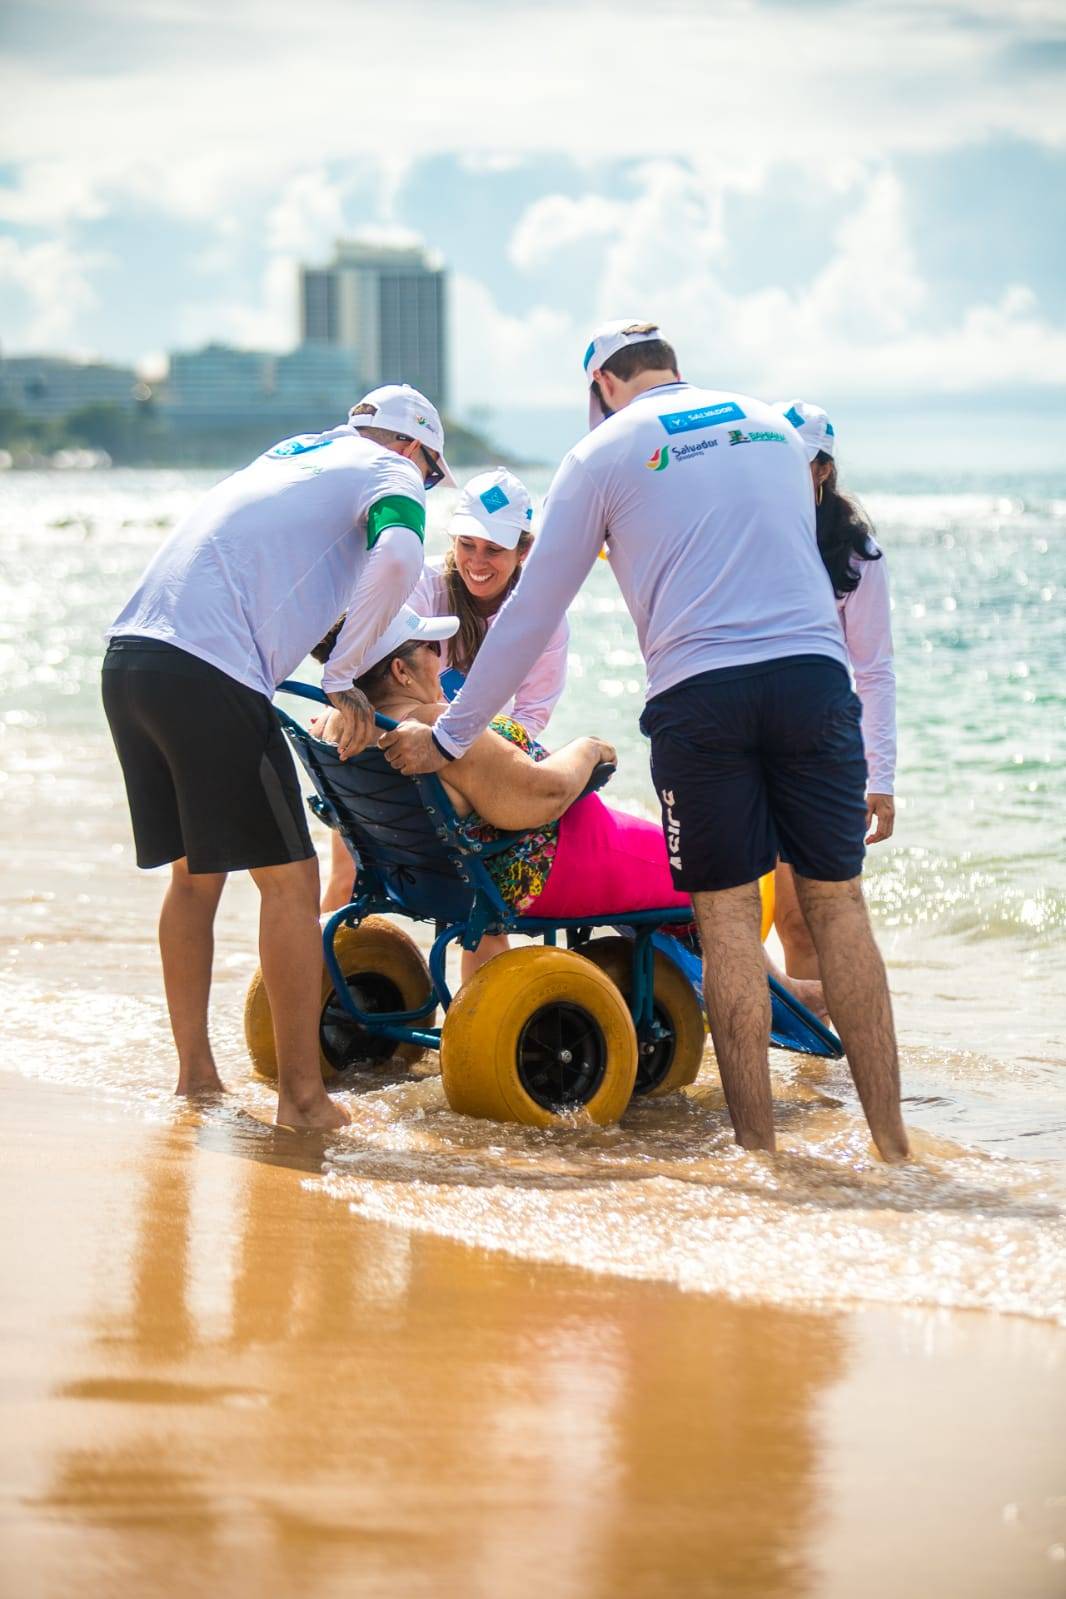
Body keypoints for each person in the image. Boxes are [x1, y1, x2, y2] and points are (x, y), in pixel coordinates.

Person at [380, 322, 909, 1162]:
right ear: (673, 367)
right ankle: (894, 1148)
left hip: (703, 696)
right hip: (814, 679)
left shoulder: (600, 453)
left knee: (726, 919)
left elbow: (530, 613)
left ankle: (761, 1155)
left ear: (602, 388)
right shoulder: (771, 428)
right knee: (840, 907)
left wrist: (451, 733)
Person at [102, 384, 453, 1130]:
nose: (423, 486)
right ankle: (302, 1100)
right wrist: (341, 676)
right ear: (412, 448)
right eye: (431, 474)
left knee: (194, 877)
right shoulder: (388, 469)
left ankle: (196, 1079)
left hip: (132, 658)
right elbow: (399, 553)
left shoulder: (294, 454)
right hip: (210, 670)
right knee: (291, 882)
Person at [312, 607, 825, 1014]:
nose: (438, 656)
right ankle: (782, 996)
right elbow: (541, 796)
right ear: (400, 670)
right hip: (540, 868)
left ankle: (748, 985)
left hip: (429, 878)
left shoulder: (338, 729)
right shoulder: (440, 733)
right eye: (428, 647)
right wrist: (588, 749)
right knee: (712, 871)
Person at [320, 467, 570, 988]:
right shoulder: (422, 587)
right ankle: (318, 986)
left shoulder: (543, 618)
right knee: (345, 875)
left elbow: (529, 719)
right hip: (398, 763)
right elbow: (380, 674)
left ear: (524, 551)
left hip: (467, 768)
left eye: (494, 550)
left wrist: (471, 754)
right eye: (467, 544)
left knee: (481, 898)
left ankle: (473, 1011)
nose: (477, 562)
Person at [771, 400, 897, 980]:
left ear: (823, 469)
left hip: (821, 751)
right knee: (760, 917)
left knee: (816, 920)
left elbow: (874, 671)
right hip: (746, 741)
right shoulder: (744, 534)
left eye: (796, 462)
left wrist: (881, 779)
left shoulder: (857, 554)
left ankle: (833, 1041)